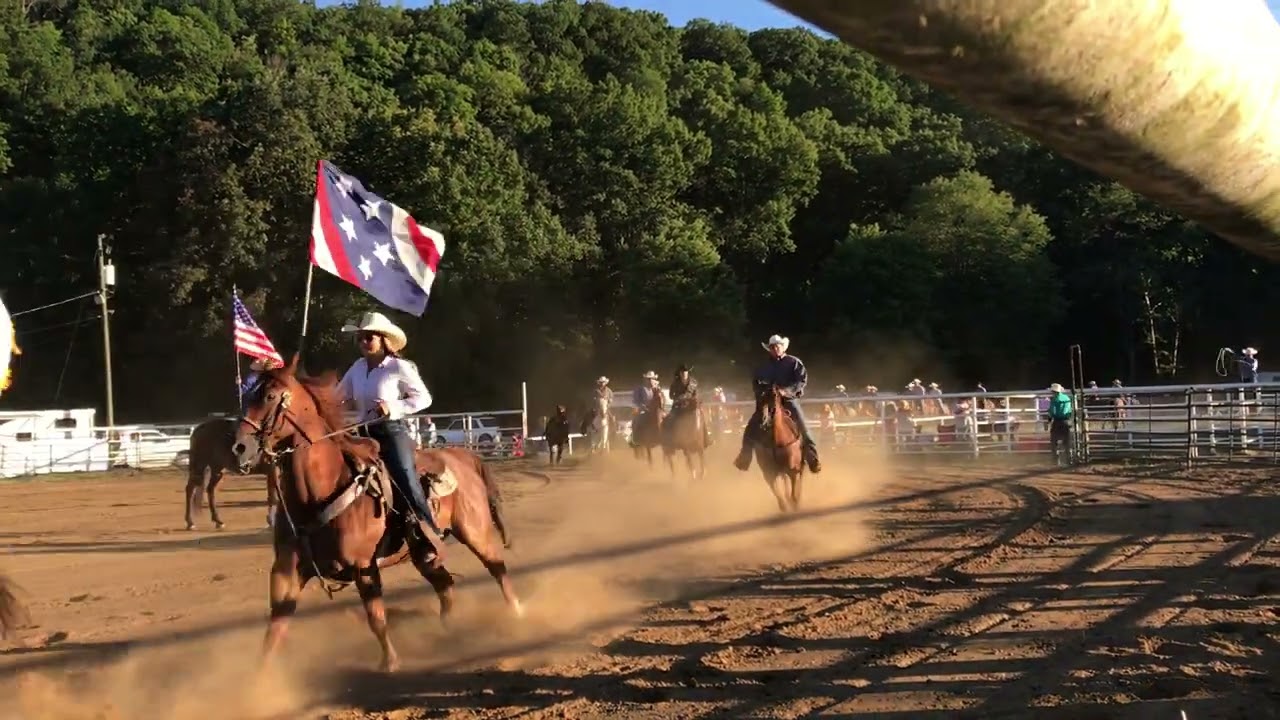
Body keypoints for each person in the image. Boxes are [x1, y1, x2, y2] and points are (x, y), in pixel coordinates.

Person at [336, 311, 443, 560]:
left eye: (368, 337)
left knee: (405, 476)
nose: (363, 342)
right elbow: (339, 394)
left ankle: (428, 534)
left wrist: (393, 408)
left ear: (383, 339)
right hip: (362, 432)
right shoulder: (357, 367)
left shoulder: (399, 367)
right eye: (360, 338)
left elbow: (424, 398)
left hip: (392, 431)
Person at [733, 335, 821, 474]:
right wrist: (762, 393)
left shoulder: (794, 362)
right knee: (751, 426)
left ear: (782, 347)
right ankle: (745, 456)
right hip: (768, 400)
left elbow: (801, 381)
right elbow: (756, 382)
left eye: (777, 346)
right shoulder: (763, 367)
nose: (774, 349)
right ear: (769, 349)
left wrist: (785, 391)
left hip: (788, 400)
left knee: (802, 424)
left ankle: (812, 457)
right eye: (772, 347)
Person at [667, 363, 711, 447]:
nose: (684, 373)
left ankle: (706, 439)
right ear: (679, 373)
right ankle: (671, 440)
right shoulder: (675, 383)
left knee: (701, 417)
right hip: (679, 406)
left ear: (688, 372)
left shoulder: (693, 382)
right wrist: (679, 398)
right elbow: (671, 395)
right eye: (682, 372)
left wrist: (694, 399)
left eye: (685, 372)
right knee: (671, 418)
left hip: (691, 405)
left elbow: (696, 394)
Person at [1046, 382, 1074, 465]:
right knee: (1067, 442)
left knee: (1054, 442)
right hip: (1066, 421)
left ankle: (1056, 461)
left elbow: (1052, 411)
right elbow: (1070, 410)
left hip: (1057, 421)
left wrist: (1050, 418)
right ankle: (1069, 460)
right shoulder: (1067, 398)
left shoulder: (1054, 399)